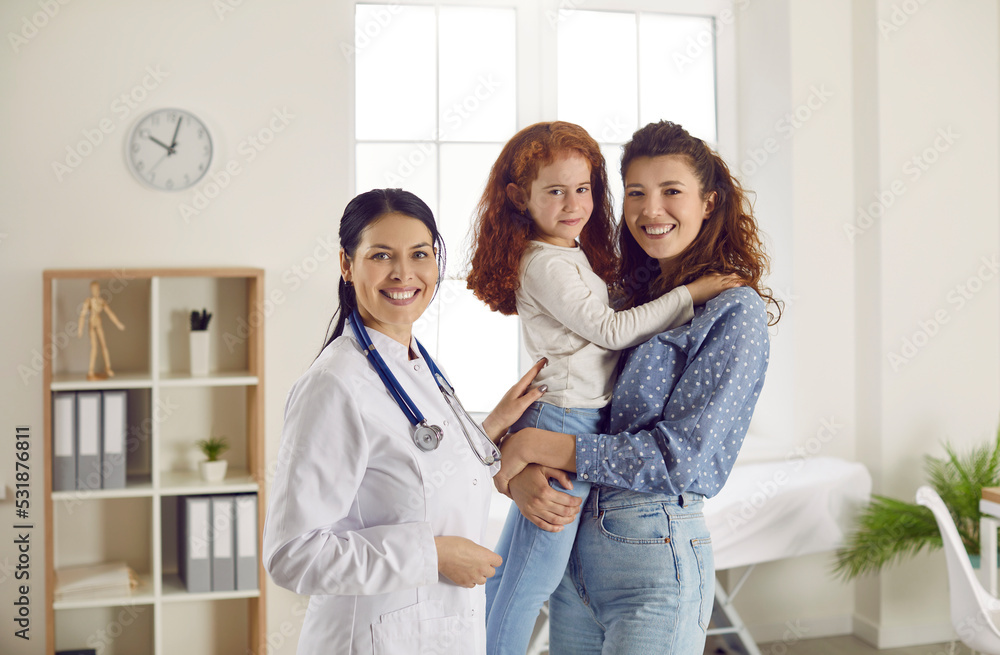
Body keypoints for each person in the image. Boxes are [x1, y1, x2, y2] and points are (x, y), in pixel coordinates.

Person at [493, 120, 782, 654]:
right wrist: (521, 475)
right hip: (573, 565)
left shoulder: (730, 310)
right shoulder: (625, 294)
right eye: (636, 193)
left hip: (652, 568)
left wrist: (536, 446)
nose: (652, 210)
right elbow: (571, 399)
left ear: (709, 202)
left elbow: (686, 461)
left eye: (672, 192)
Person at [262, 188, 548, 655]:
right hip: (373, 640)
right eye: (381, 255)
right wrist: (432, 555)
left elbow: (415, 466)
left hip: (442, 632)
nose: (404, 273)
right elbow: (292, 555)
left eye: (420, 254)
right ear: (346, 264)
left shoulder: (415, 367)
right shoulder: (335, 384)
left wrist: (491, 425)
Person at [77, 280, 125, 380]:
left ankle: (108, 367)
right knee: (94, 348)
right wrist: (80, 329)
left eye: (97, 289)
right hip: (92, 325)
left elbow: (110, 313)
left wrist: (118, 323)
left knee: (104, 346)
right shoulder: (88, 301)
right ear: (91, 290)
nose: (95, 291)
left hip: (99, 324)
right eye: (93, 289)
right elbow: (82, 315)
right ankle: (90, 371)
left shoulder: (101, 301)